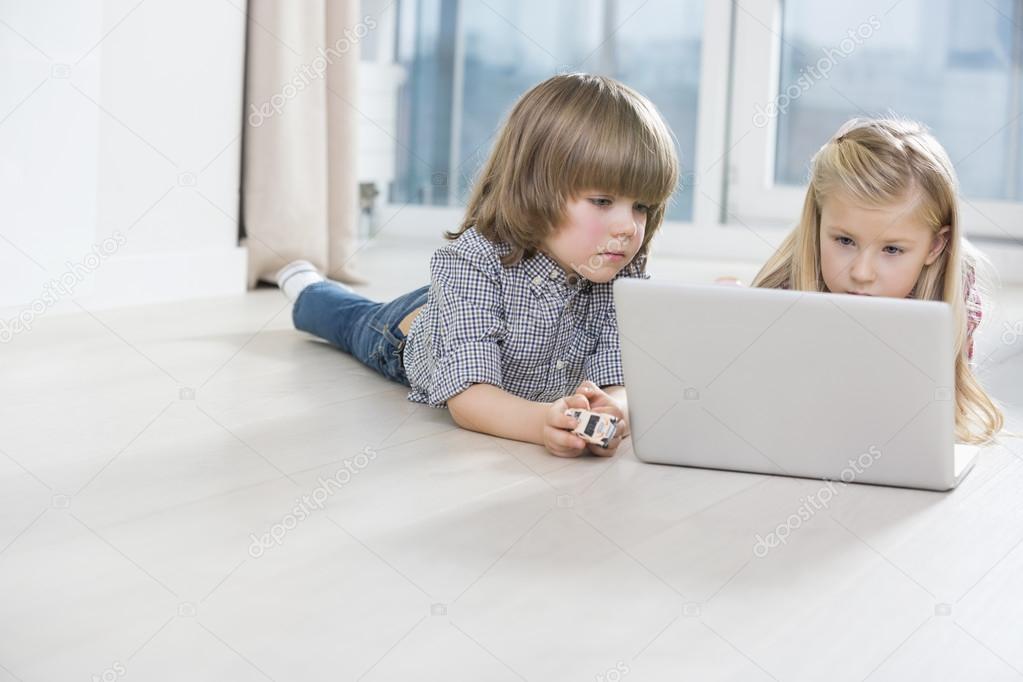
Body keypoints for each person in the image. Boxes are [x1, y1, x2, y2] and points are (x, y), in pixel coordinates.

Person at [277, 73, 680, 457]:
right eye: (603, 202)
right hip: (405, 334)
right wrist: (542, 423)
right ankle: (308, 285)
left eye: (641, 206)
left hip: (478, 305)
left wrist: (615, 411)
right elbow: (470, 399)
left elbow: (619, 379)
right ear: (535, 187)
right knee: (350, 322)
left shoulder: (621, 274)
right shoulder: (473, 259)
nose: (629, 227)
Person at [752, 117, 1003, 444]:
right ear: (816, 224)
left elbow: (930, 428)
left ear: (935, 246)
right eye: (844, 242)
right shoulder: (781, 292)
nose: (861, 273)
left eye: (892, 249)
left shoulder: (952, 295)